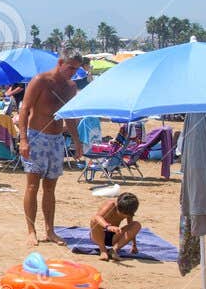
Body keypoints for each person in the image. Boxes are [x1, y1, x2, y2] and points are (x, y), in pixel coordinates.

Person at [16, 49, 87, 244]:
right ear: (60, 62)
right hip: (36, 136)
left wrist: (77, 142)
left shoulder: (71, 87)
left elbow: (69, 117)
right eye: (70, 67)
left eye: (76, 69)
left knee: (50, 187)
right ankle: (31, 230)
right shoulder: (41, 80)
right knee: (32, 185)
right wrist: (23, 139)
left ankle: (50, 230)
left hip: (56, 139)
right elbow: (24, 110)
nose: (72, 72)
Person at [90, 191, 142, 261]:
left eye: (126, 215)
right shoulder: (111, 205)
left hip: (114, 237)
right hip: (99, 236)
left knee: (137, 225)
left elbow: (130, 226)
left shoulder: (129, 210)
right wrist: (107, 226)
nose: (123, 216)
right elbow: (97, 216)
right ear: (117, 205)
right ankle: (103, 250)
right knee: (94, 220)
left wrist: (134, 244)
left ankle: (114, 250)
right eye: (121, 213)